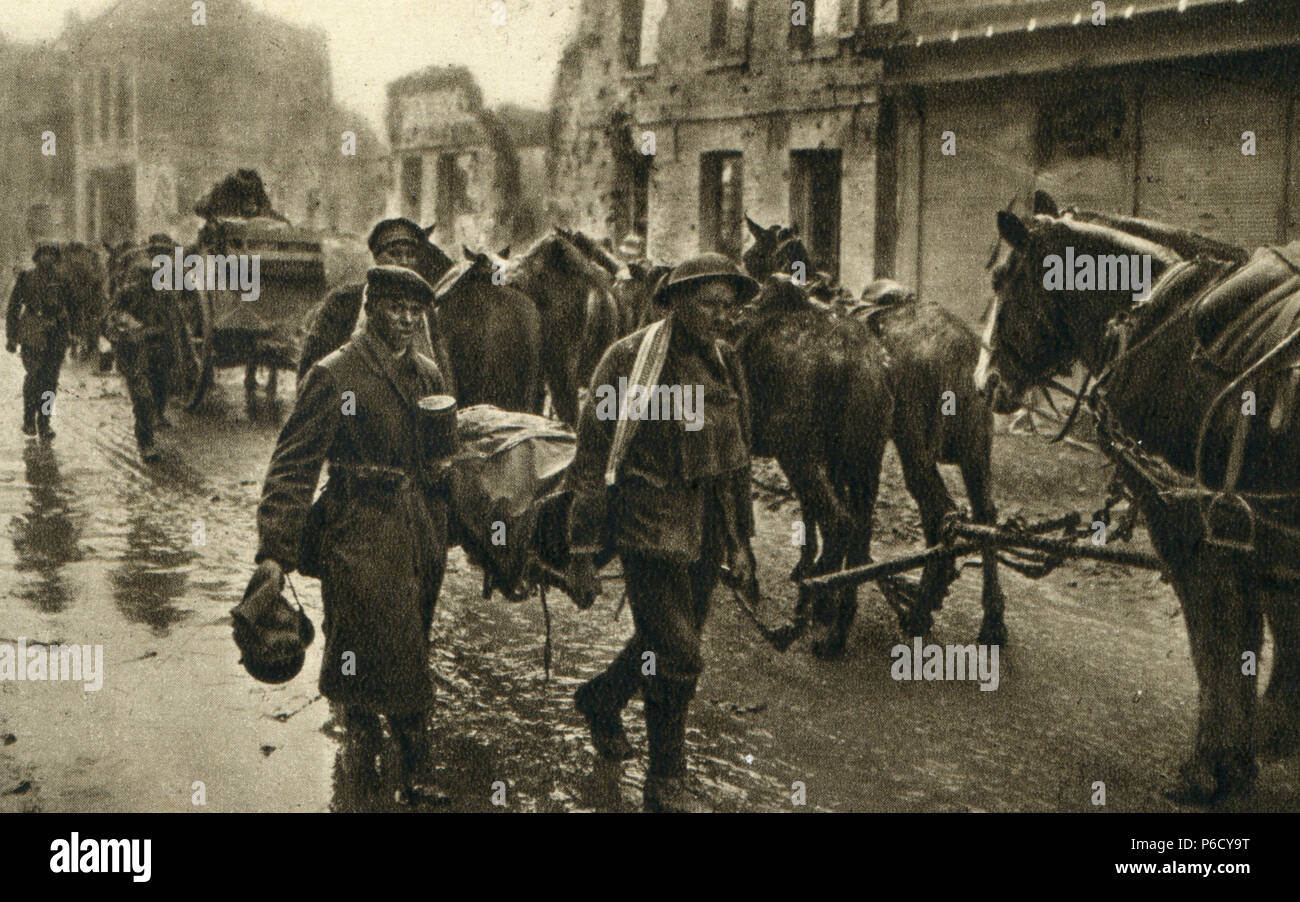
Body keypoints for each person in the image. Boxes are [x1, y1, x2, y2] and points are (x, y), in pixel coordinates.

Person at [564, 253, 759, 812]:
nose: (722, 317)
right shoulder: (629, 360)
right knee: (678, 653)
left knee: (668, 640)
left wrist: (743, 542)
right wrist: (582, 549)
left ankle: (601, 698)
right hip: (647, 525)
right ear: (676, 302)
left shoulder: (725, 361)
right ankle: (665, 779)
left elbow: (736, 459)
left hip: (706, 529)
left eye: (729, 307)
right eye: (709, 304)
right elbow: (593, 456)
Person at [252, 265, 454, 805]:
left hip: (415, 531)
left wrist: (442, 479)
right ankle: (409, 772)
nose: (409, 320)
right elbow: (293, 465)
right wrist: (275, 549)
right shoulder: (335, 374)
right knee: (395, 648)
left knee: (402, 640)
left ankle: (365, 746)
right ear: (371, 308)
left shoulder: (428, 375)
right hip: (358, 530)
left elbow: (439, 457)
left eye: (417, 311)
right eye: (397, 308)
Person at [297, 218, 453, 385]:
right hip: (351, 398)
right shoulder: (345, 300)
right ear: (377, 258)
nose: (404, 261)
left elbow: (440, 365)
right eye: (394, 253)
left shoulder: (424, 309)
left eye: (410, 255)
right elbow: (313, 365)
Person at [104, 235, 177, 463]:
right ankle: (146, 444)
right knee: (143, 400)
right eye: (145, 275)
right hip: (134, 356)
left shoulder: (164, 297)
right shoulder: (127, 294)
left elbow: (172, 326)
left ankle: (154, 424)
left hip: (157, 353)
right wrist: (125, 334)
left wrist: (169, 348)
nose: (149, 280)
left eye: (153, 276)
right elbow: (108, 320)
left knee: (158, 392)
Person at [6, 242, 74, 439]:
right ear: (37, 257)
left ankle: (44, 422)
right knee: (34, 377)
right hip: (32, 333)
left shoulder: (62, 280)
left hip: (56, 334)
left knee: (51, 382)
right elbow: (13, 308)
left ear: (56, 257)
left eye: (51, 254)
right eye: (43, 254)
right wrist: (12, 337)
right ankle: (29, 419)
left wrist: (73, 334)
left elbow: (73, 307)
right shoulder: (26, 278)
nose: (47, 258)